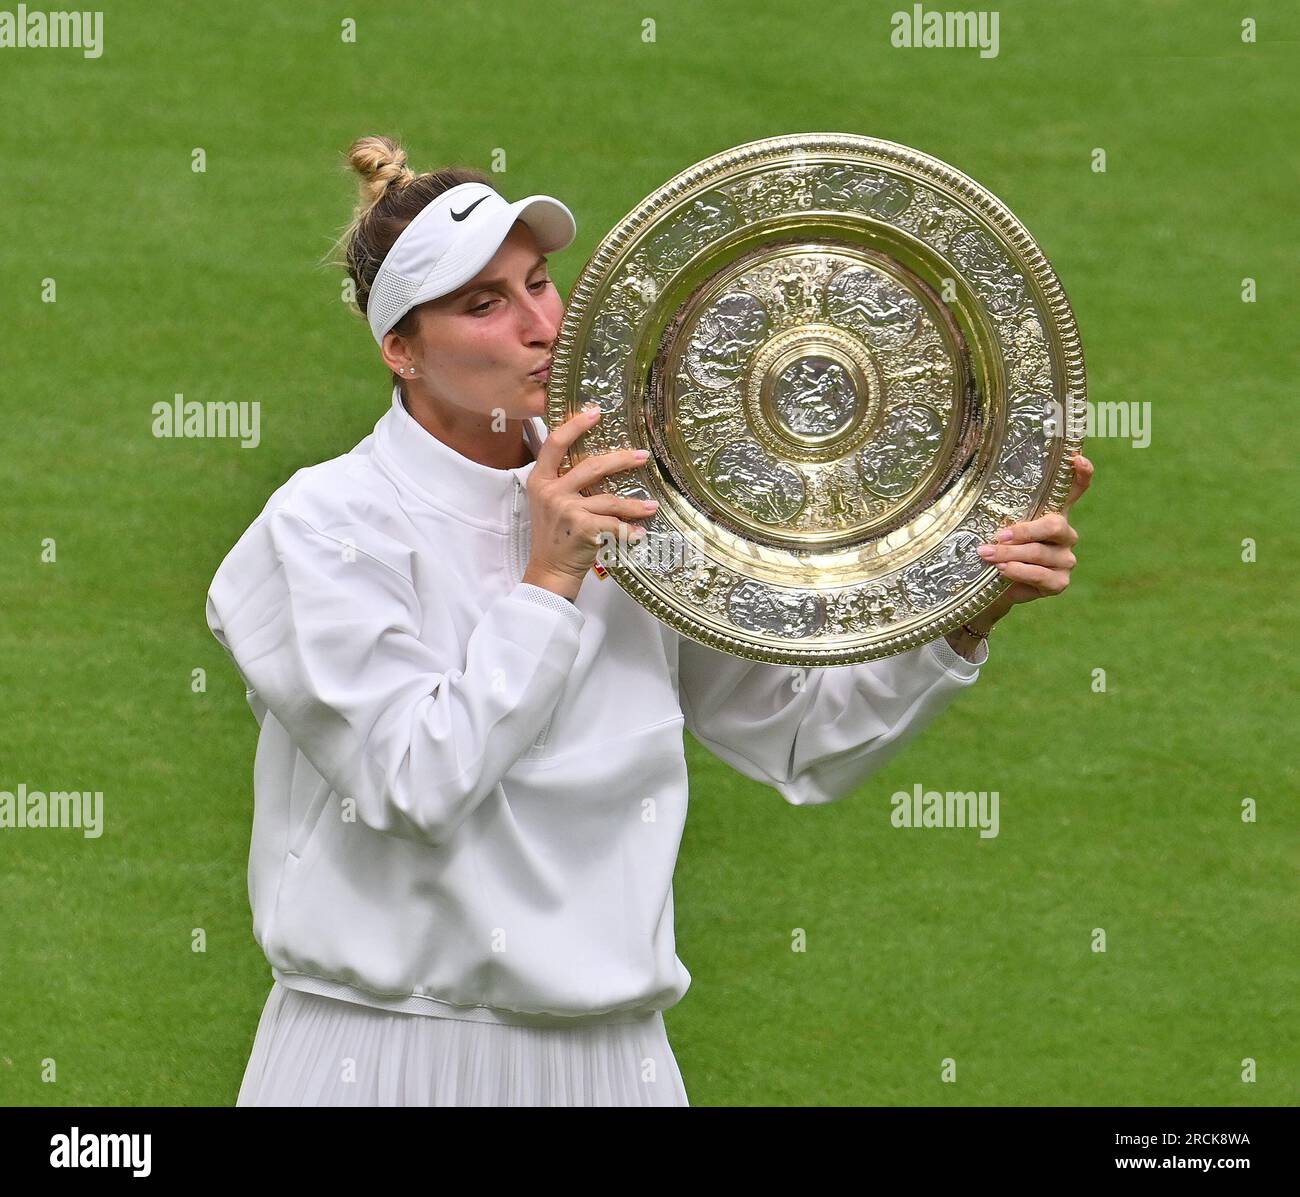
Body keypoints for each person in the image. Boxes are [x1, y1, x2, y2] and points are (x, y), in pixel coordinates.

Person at [205, 134, 1092, 1107]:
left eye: (538, 282)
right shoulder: (321, 527)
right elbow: (413, 780)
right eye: (483, 305)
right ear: (400, 348)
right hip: (373, 1061)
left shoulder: (643, 507)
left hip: (612, 1068)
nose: (542, 324)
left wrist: (967, 612)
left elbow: (803, 741)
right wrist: (549, 579)